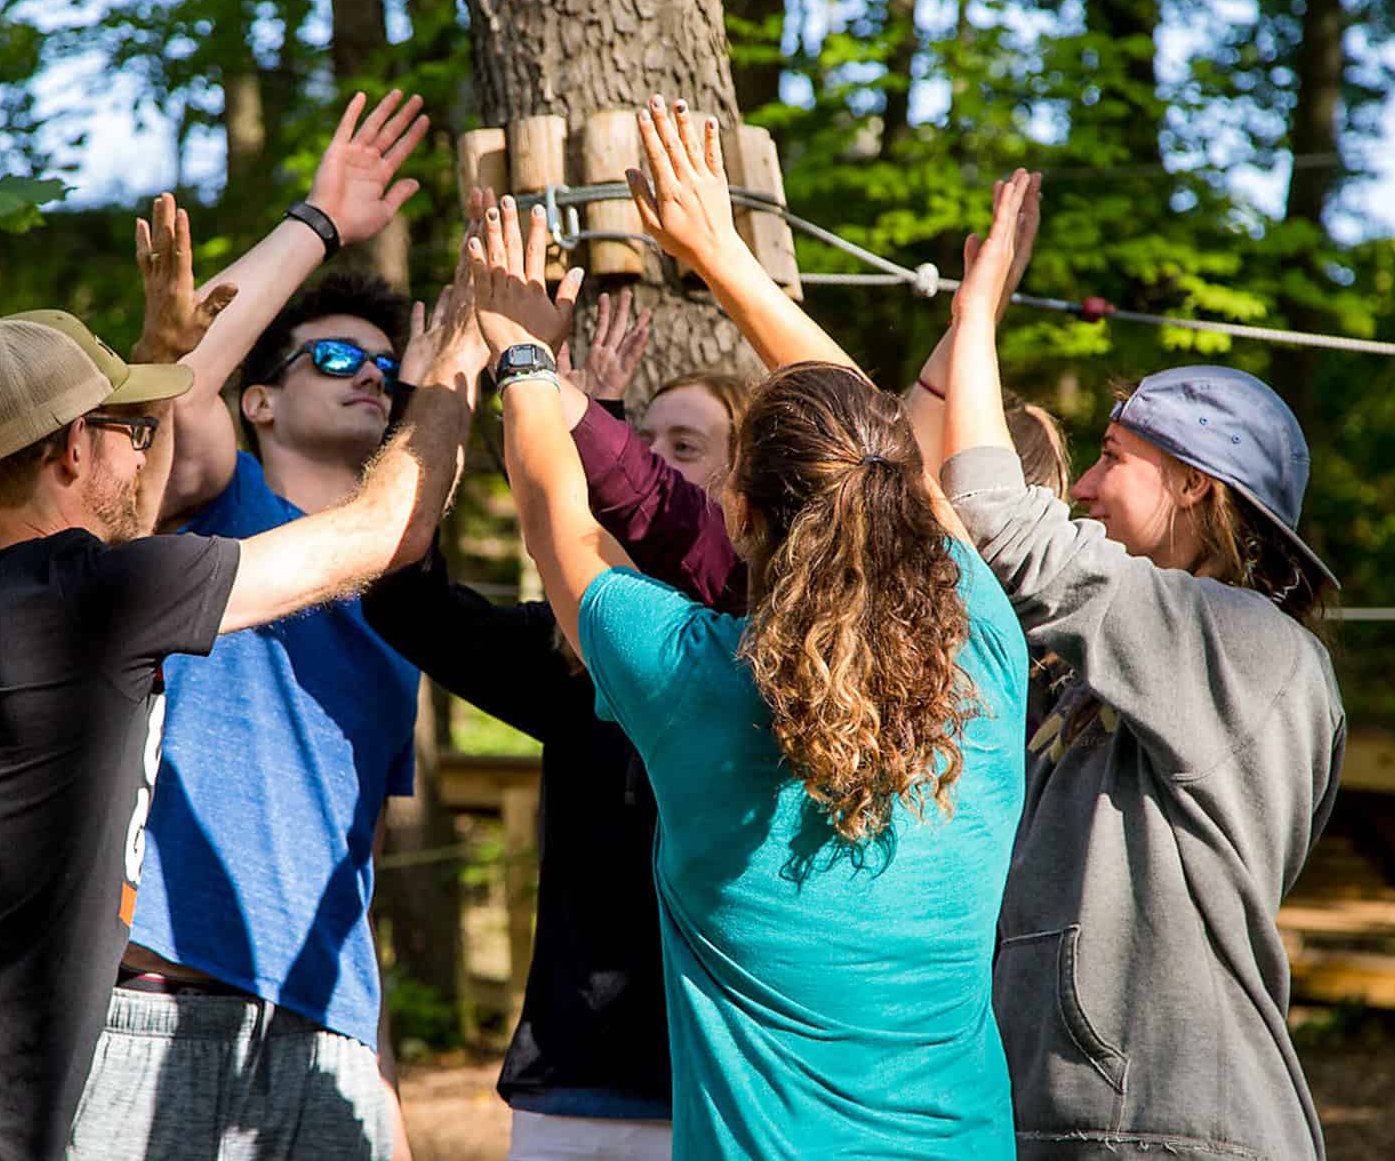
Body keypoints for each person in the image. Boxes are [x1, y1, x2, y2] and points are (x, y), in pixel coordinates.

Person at [0, 196, 489, 1161]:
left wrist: (152, 350)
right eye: (125, 432)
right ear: (69, 449)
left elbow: (113, 512)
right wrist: (450, 376)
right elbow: (383, 530)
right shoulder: (103, 596)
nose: (147, 445)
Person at [465, 102, 1031, 1158]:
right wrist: (719, 250)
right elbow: (883, 456)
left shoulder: (695, 684)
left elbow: (555, 524)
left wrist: (525, 356)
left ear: (737, 513)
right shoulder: (985, 651)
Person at [65, 90, 463, 1161]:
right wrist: (320, 220)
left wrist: (381, 1079)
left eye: (384, 364)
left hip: (328, 1037)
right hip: (158, 1012)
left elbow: (355, 862)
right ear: (263, 404)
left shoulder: (399, 602)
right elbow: (180, 371)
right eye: (332, 358)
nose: (368, 374)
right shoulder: (212, 499)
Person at [926, 170, 1345, 1160]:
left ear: (1198, 485)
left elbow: (993, 518)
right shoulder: (1123, 655)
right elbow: (941, 532)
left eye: (1113, 455)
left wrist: (977, 311)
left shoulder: (1246, 647)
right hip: (1100, 1122)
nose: (1081, 481)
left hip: (1175, 1126)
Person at [362, 290, 753, 1161]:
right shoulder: (575, 659)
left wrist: (588, 419)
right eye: (636, 439)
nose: (642, 461)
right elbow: (406, 603)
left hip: (736, 1092)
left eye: (681, 448)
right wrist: (430, 401)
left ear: (747, 483)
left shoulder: (784, 654)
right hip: (574, 1089)